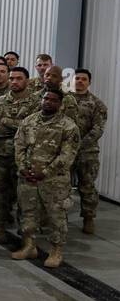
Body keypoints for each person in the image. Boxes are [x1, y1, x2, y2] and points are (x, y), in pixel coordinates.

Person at [12, 89, 80, 269]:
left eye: (53, 100)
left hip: (54, 181)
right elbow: (18, 146)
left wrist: (46, 171)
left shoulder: (68, 126)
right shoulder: (29, 121)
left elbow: (67, 155)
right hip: (28, 178)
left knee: (56, 217)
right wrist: (23, 168)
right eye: (45, 98)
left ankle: (56, 251)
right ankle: (29, 246)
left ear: (60, 104)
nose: (48, 102)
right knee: (28, 213)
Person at [0, 66, 37, 244]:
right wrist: (19, 125)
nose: (14, 82)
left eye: (18, 78)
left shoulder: (35, 102)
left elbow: (34, 129)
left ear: (27, 81)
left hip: (25, 157)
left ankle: (26, 235)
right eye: (12, 78)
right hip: (0, 155)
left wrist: (6, 121)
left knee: (24, 196)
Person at [71, 69, 107, 235]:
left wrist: (80, 144)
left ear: (89, 82)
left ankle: (88, 217)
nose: (79, 81)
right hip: (64, 151)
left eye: (83, 79)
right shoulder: (64, 100)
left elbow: (98, 129)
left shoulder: (97, 104)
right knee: (61, 186)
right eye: (77, 78)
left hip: (87, 152)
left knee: (87, 186)